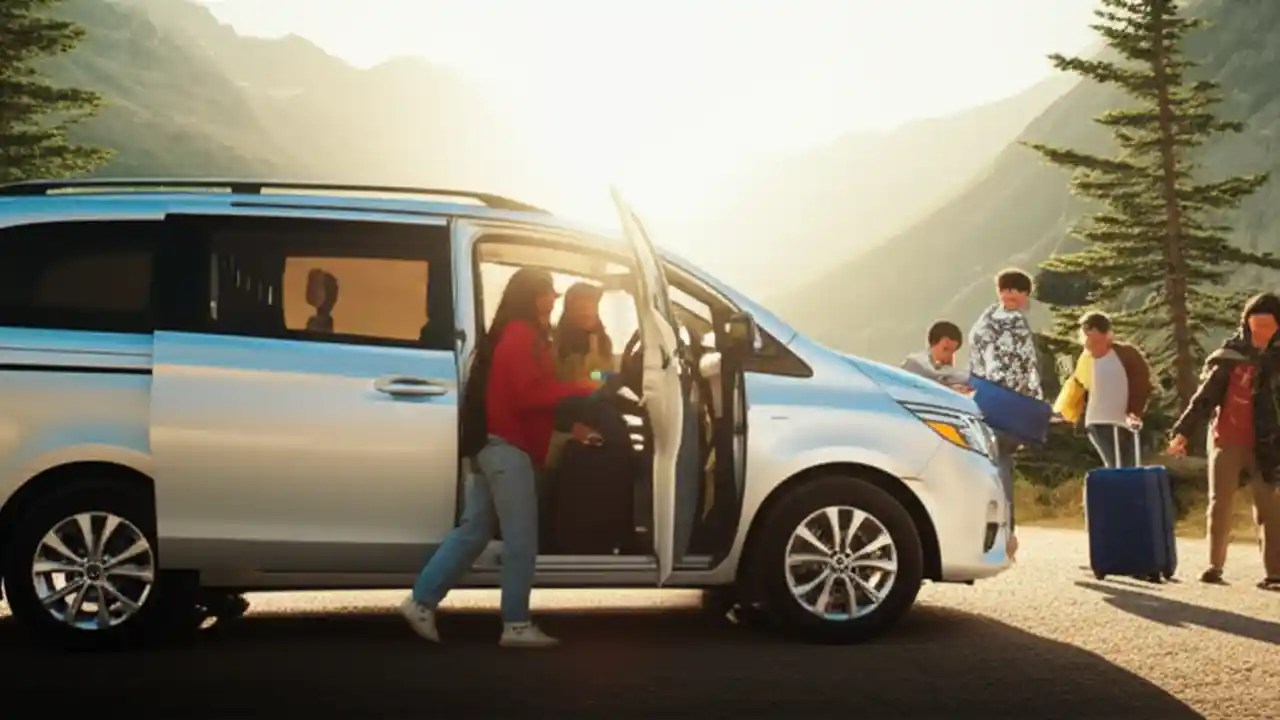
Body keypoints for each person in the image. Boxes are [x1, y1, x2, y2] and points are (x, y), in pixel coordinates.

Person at [400, 268, 601, 647]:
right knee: (522, 539)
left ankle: (421, 602)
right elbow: (528, 394)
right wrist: (579, 389)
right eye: (548, 293)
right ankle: (516, 624)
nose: (554, 299)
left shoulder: (511, 333)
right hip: (508, 449)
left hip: (491, 448)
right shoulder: (521, 334)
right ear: (531, 296)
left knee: (474, 530)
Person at [1167, 293, 1280, 591]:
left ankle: (1275, 573)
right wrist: (1183, 432)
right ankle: (1214, 566)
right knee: (1220, 503)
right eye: (1256, 326)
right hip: (1227, 439)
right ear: (1246, 324)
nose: (1261, 334)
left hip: (1267, 443)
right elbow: (1204, 399)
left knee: (1269, 506)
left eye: (1268, 327)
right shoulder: (1229, 357)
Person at [968, 268, 1044, 560]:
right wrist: (1037, 403)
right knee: (1001, 468)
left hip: (987, 401)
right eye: (1007, 288)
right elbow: (1027, 367)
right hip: (1006, 404)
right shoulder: (1011, 322)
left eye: (1017, 289)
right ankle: (1005, 536)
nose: (1011, 294)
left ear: (1025, 295)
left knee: (994, 466)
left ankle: (994, 535)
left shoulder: (986, 320)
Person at [1054, 312, 1153, 468]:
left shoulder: (1126, 354)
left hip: (1125, 421)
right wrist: (1063, 411)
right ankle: (1117, 491)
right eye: (1084, 332)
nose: (1085, 337)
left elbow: (1141, 383)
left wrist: (1135, 411)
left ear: (1103, 333)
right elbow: (1076, 386)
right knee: (1114, 464)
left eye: (1089, 331)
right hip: (1097, 421)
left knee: (1129, 465)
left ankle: (1127, 492)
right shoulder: (1085, 360)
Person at [902, 320, 971, 393]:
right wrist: (950, 389)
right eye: (945, 349)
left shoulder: (943, 370)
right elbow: (933, 376)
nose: (947, 356)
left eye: (952, 352)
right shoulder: (914, 362)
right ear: (933, 343)